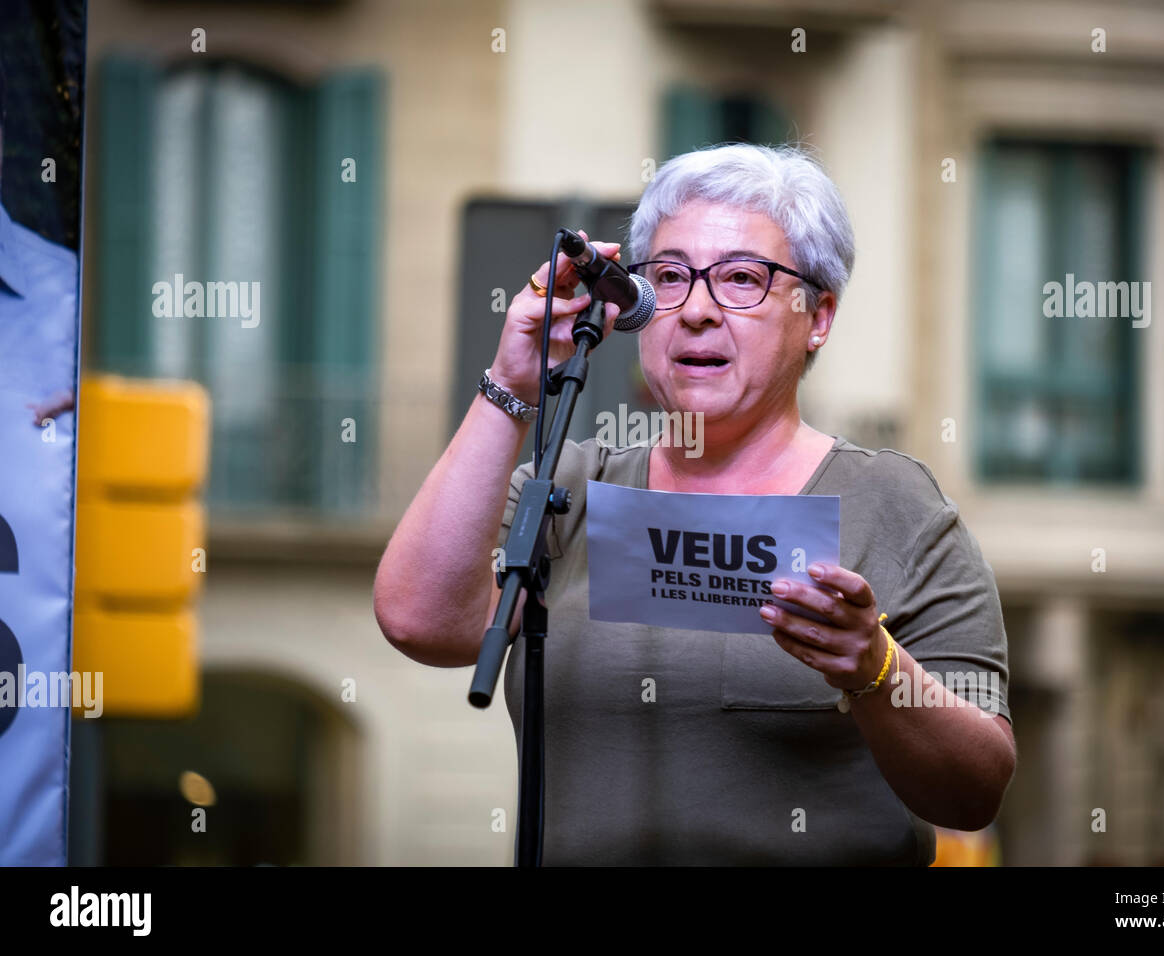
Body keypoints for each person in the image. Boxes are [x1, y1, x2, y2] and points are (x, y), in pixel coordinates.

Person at [375, 142, 1016, 865]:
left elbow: (976, 791)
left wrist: (875, 669)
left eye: (743, 279)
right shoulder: (569, 491)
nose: (699, 311)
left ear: (818, 316)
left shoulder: (893, 504)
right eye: (671, 278)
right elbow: (418, 621)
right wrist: (511, 385)